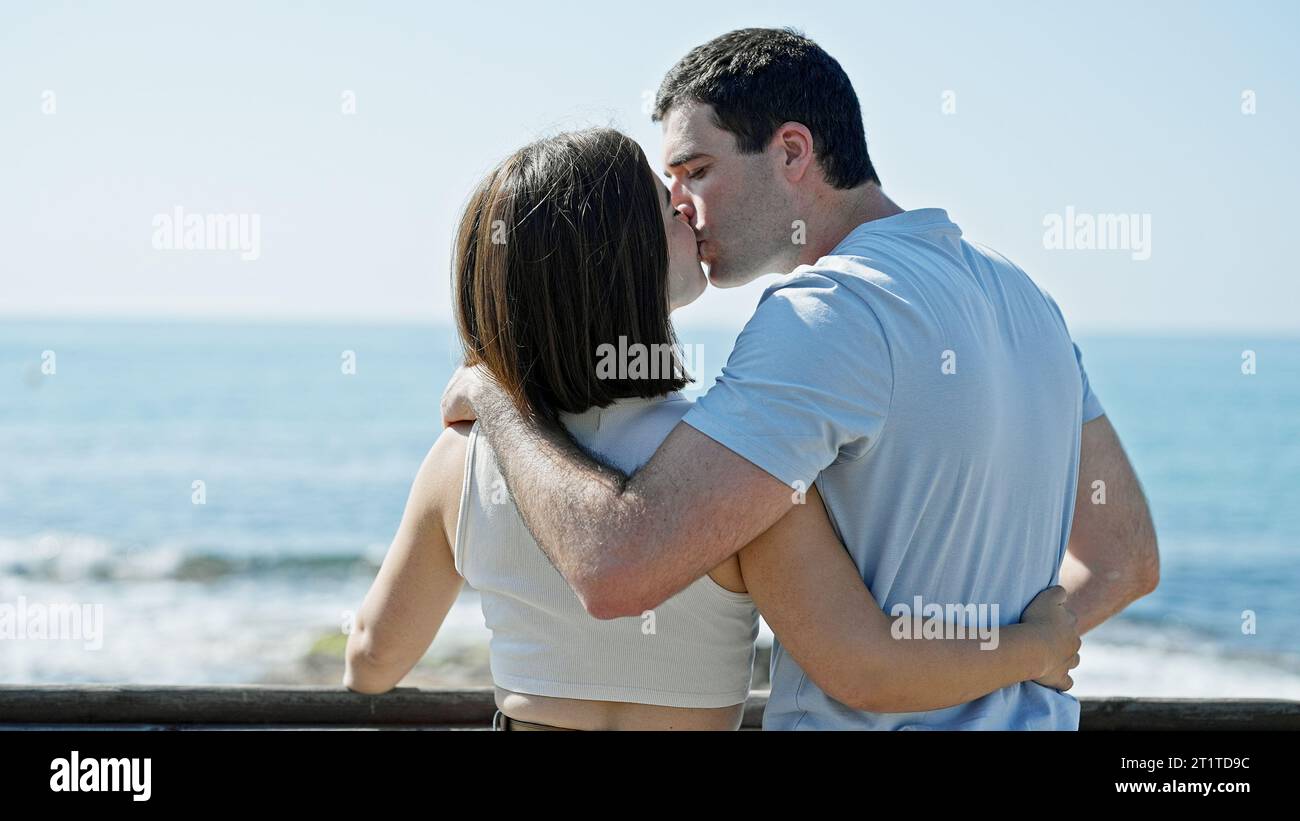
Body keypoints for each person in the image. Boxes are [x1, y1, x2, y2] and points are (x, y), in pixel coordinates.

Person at [440, 28, 1159, 730]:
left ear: (791, 151)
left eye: (696, 171)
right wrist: (1020, 652)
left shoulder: (825, 314)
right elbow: (1124, 559)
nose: (681, 205)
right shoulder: (1027, 299)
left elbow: (616, 568)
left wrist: (499, 400)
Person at [344, 127, 1081, 730]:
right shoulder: (730, 468)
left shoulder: (460, 460)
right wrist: (1035, 645)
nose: (690, 214)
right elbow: (864, 664)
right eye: (667, 212)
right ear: (621, 263)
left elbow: (372, 660)